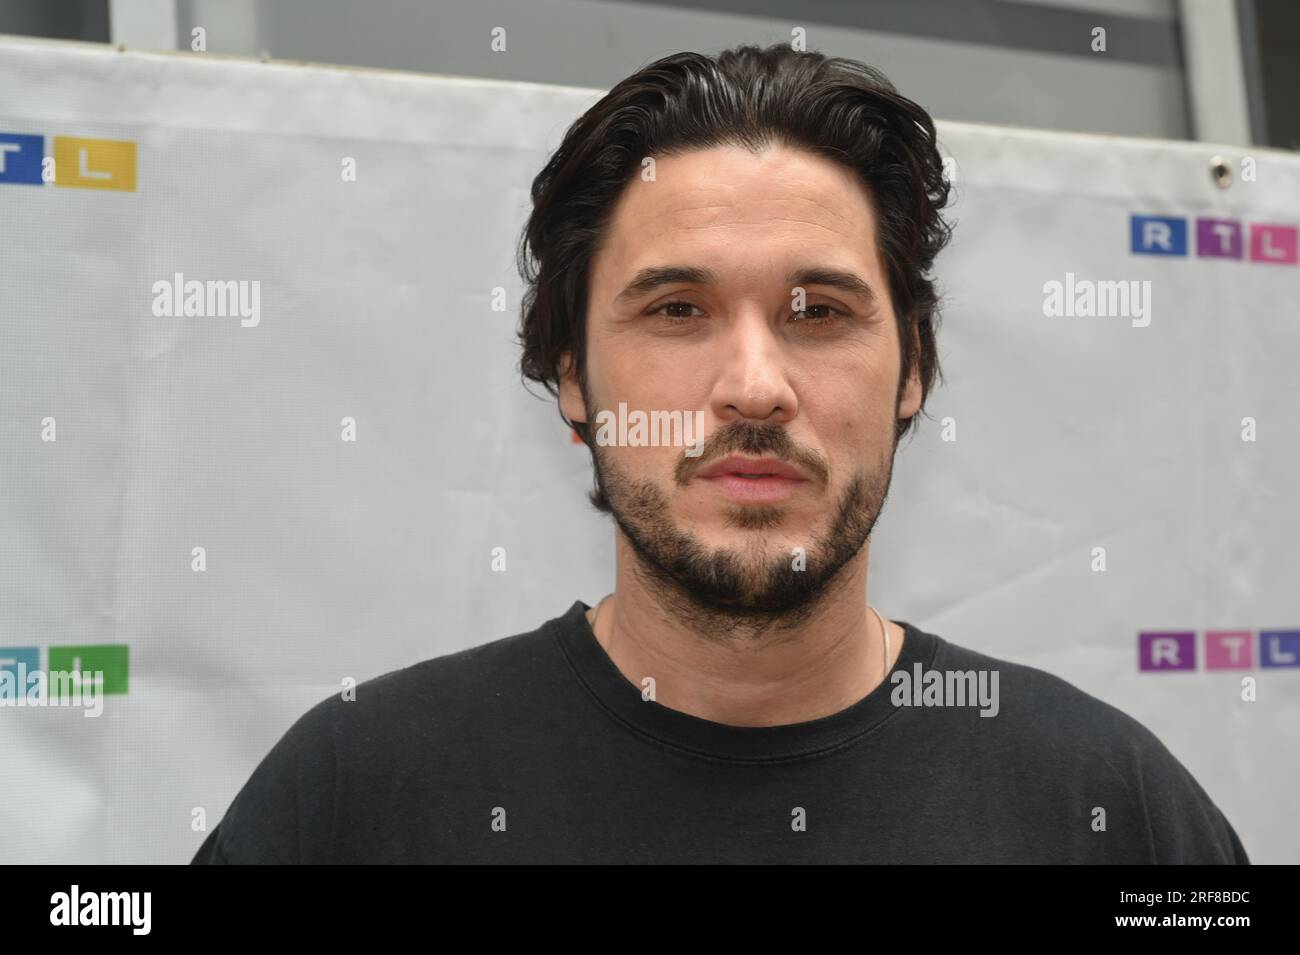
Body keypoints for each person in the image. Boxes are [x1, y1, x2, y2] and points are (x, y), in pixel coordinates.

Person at [193, 43, 1248, 864]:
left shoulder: (1111, 810)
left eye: (819, 310)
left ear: (912, 367)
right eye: (678, 308)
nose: (753, 385)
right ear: (571, 373)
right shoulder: (351, 797)